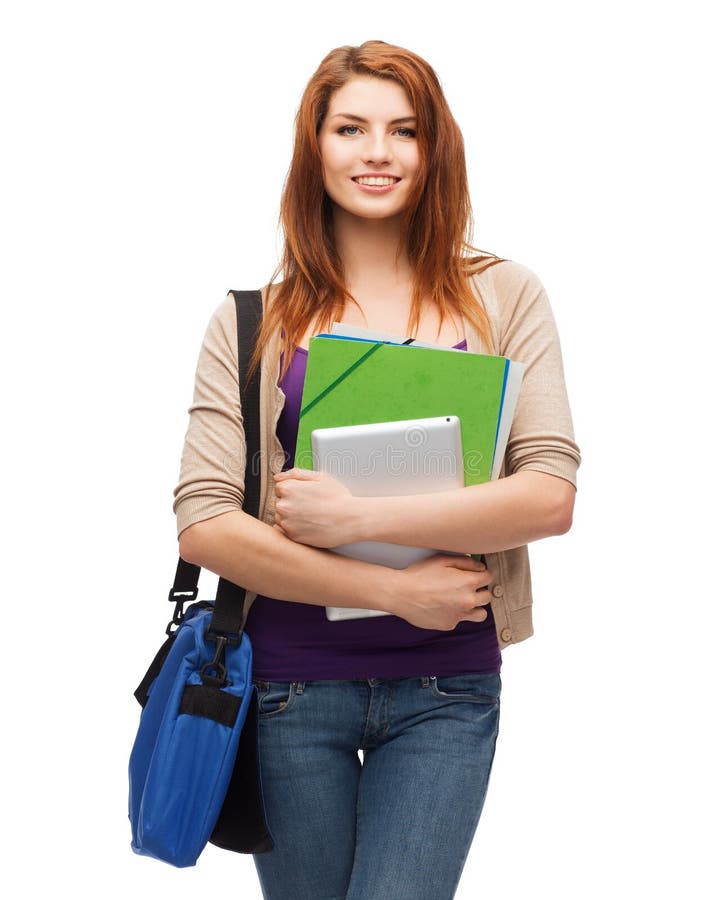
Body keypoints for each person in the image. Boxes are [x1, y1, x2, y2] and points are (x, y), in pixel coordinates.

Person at [173, 40, 580, 900]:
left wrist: (362, 520)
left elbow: (549, 495)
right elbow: (205, 519)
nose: (377, 153)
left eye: (404, 130)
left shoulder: (504, 297)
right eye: (350, 128)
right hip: (288, 689)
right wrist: (397, 590)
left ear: (436, 150)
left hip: (448, 686)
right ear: (313, 146)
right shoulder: (252, 321)